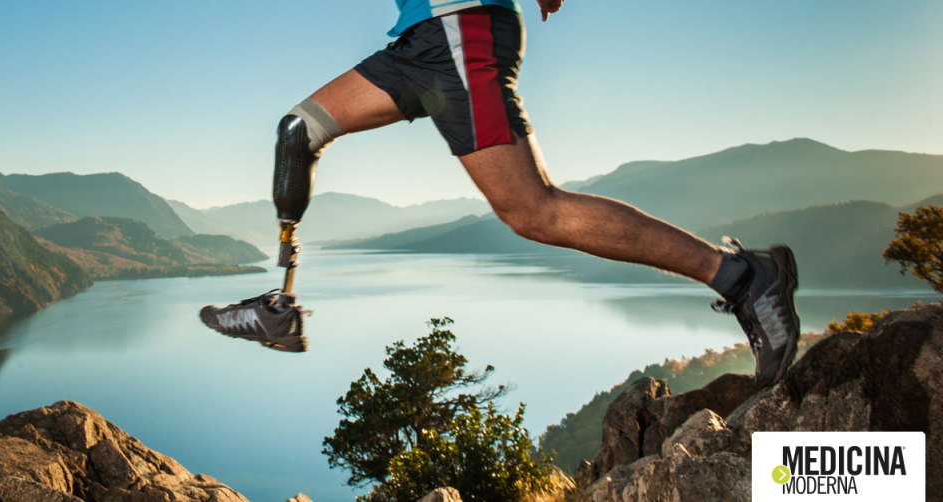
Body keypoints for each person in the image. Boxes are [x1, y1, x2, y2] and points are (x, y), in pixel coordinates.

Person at [200, 0, 801, 387]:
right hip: (419, 41)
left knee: (532, 211)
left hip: (460, 26)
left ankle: (743, 277)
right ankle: (280, 305)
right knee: (298, 131)